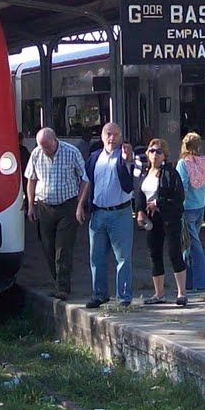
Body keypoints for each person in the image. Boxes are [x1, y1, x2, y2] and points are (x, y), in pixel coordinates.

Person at [24, 127, 90, 301]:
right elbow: (31, 179)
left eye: (47, 146)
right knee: (48, 246)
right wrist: (31, 205)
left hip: (67, 205)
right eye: (42, 146)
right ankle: (57, 280)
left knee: (63, 247)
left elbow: (85, 178)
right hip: (44, 206)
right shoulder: (37, 154)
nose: (45, 149)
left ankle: (63, 287)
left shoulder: (71, 152)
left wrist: (80, 204)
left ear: (55, 140)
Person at [80, 122, 135, 308]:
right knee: (96, 257)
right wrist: (80, 205)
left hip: (120, 213)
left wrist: (128, 160)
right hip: (98, 214)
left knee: (123, 258)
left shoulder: (126, 156)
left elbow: (131, 183)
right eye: (108, 134)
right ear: (102, 137)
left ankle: (124, 297)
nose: (112, 138)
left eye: (116, 134)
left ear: (121, 137)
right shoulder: (94, 158)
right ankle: (99, 294)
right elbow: (86, 182)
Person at [135, 137, 188, 306]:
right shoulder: (144, 172)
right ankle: (159, 294)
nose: (154, 155)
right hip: (152, 219)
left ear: (165, 155)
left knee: (174, 252)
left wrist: (158, 203)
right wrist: (139, 211)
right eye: (151, 151)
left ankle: (181, 293)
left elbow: (179, 197)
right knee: (154, 254)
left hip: (169, 217)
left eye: (158, 152)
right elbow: (140, 194)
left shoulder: (171, 173)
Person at [176, 133, 205, 293]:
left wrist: (178, 207)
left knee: (194, 245)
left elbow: (182, 187)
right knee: (187, 246)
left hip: (187, 209)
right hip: (200, 207)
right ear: (198, 146)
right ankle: (187, 281)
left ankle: (202, 281)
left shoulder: (183, 164)